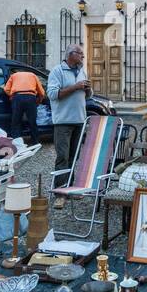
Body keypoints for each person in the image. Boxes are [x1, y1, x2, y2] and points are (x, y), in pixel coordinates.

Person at [46, 44, 91, 209]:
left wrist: (88, 89)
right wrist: (76, 87)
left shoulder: (82, 71)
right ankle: (60, 193)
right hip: (63, 121)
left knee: (74, 156)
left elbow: (86, 95)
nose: (82, 57)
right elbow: (52, 94)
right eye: (80, 54)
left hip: (79, 120)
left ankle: (69, 189)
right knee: (62, 157)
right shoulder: (57, 71)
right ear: (70, 54)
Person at [2, 68, 46, 145]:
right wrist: (39, 101)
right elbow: (42, 92)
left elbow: (6, 89)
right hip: (31, 97)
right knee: (32, 121)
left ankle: (17, 143)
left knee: (16, 121)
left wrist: (12, 96)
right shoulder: (33, 75)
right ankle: (35, 142)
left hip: (17, 97)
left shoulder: (13, 75)